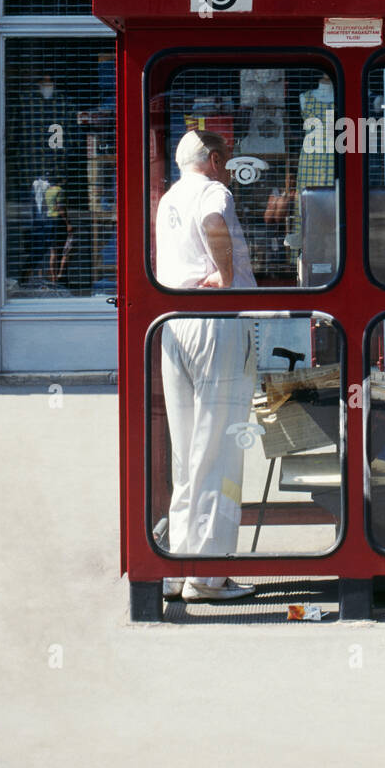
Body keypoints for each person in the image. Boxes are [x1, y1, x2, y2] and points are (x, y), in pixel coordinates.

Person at [155, 130, 258, 603]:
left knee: (186, 451)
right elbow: (216, 223)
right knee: (218, 449)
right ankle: (209, 576)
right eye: (227, 158)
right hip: (216, 323)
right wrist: (227, 273)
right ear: (215, 160)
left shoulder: (169, 198)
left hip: (174, 324)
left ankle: (177, 566)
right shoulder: (212, 190)